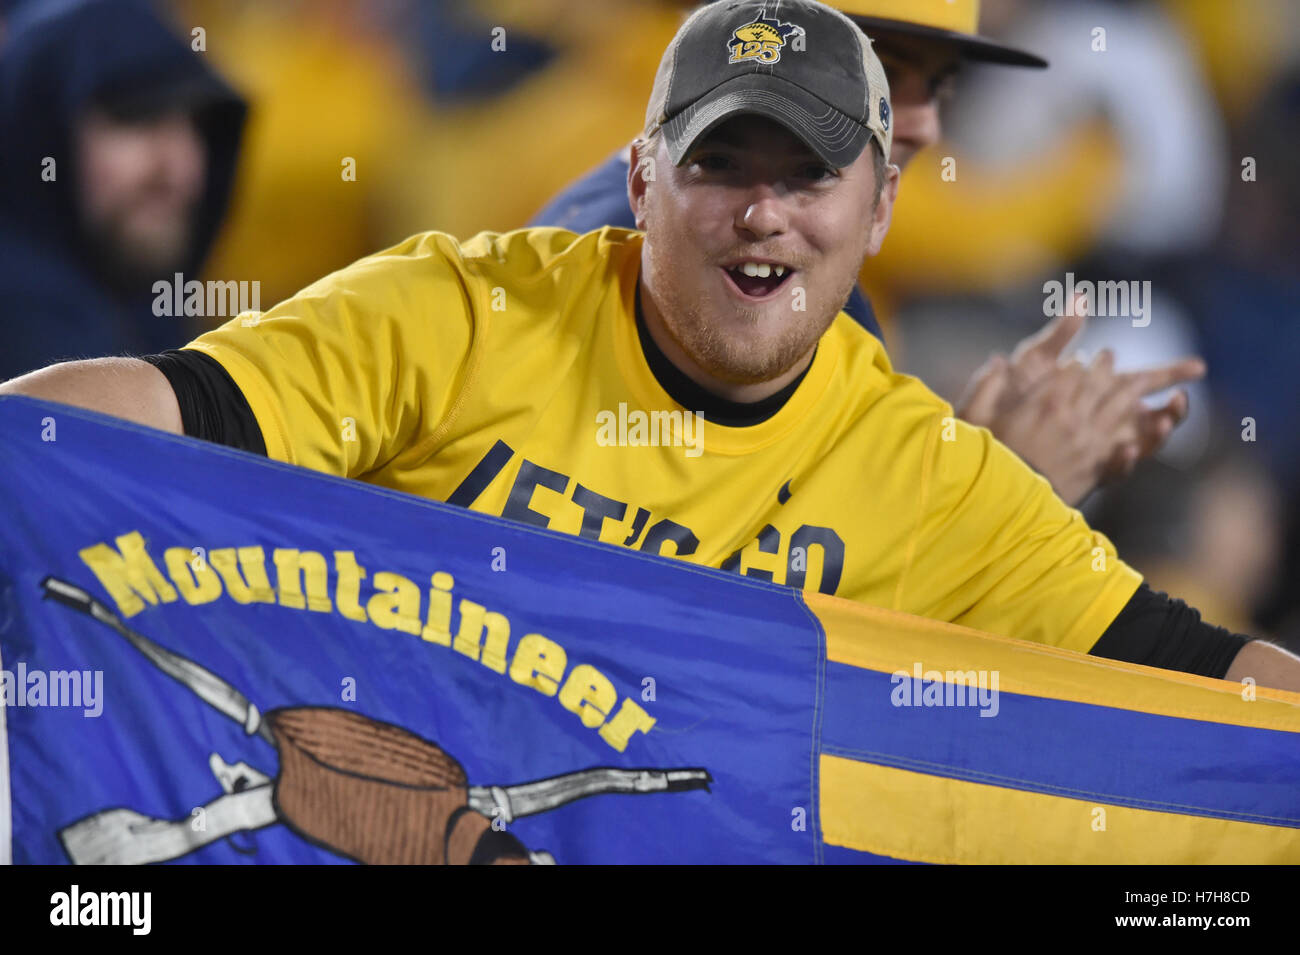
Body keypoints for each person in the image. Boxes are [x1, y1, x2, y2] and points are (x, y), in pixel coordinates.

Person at [4, 0, 1296, 691]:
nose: (763, 208)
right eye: (723, 164)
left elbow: (1198, 671)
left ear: (879, 199)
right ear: (639, 181)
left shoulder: (916, 452)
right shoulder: (472, 308)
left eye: (810, 170)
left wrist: (1000, 484)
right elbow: (166, 408)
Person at [531, 0, 1204, 508]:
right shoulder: (664, 234)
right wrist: (996, 491)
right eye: (887, 73)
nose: (922, 123)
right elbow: (687, 591)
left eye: (939, 88)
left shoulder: (787, 254)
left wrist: (959, 468)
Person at [0, 0, 247, 381]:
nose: (180, 170)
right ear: (40, 136)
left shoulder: (146, 303)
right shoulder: (25, 332)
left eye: (197, 124)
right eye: (139, 118)